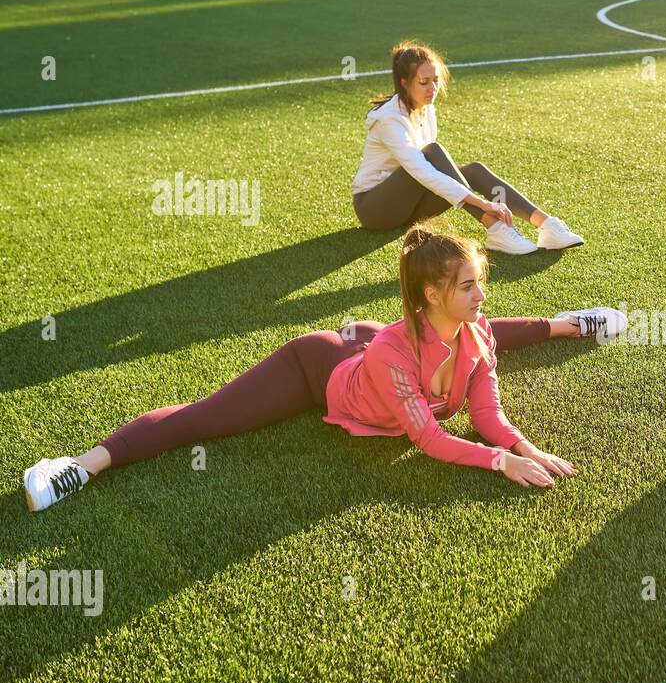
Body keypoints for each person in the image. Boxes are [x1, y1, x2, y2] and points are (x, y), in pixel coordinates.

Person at [22, 226, 628, 512]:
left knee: (490, 335)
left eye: (478, 282)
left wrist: (524, 445)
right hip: (324, 366)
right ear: (432, 296)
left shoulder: (470, 330)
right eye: (467, 286)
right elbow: (428, 438)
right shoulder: (396, 350)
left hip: (381, 347)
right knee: (209, 419)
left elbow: (489, 414)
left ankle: (571, 322)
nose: (480, 294)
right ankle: (77, 467)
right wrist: (500, 461)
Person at [351, 40, 583, 255]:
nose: (432, 88)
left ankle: (546, 225)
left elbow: (429, 175)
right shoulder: (389, 119)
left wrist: (471, 194)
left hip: (409, 207)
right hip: (375, 210)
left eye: (435, 80)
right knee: (432, 152)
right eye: (423, 82)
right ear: (404, 83)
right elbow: (421, 170)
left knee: (471, 171)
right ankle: (496, 229)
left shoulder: (426, 106)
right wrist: (480, 202)